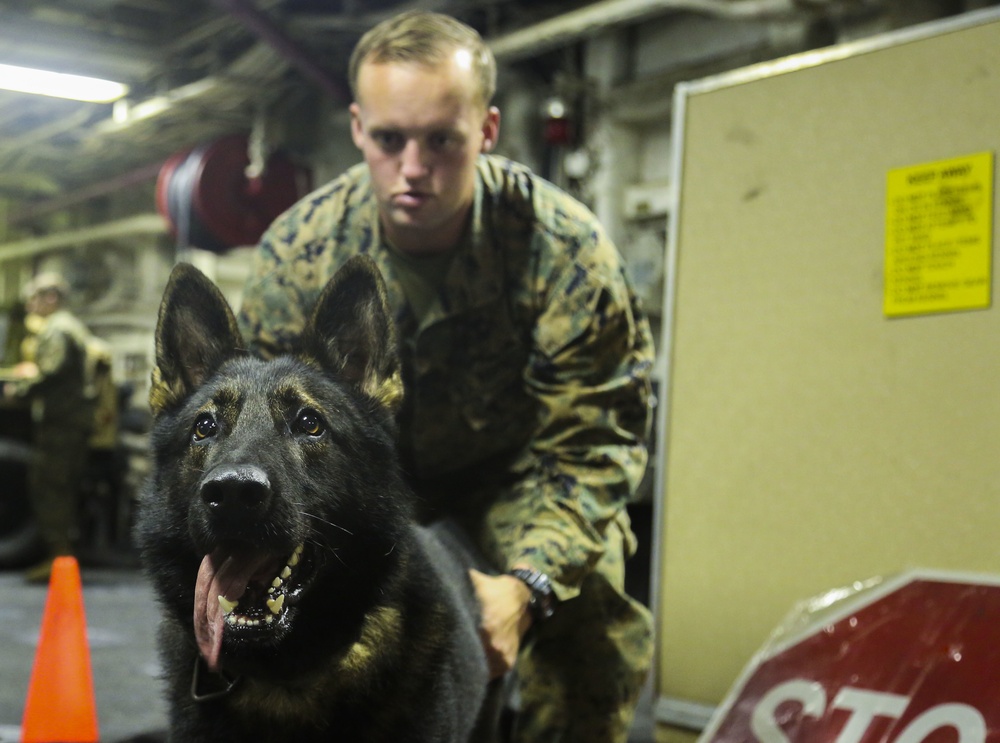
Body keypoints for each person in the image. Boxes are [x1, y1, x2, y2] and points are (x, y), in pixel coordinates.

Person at [237, 10, 655, 742]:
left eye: (443, 140)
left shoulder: (563, 249)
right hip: (361, 483)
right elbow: (264, 431)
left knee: (594, 621)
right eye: (390, 140)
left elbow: (596, 439)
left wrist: (527, 584)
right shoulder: (297, 255)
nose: (414, 168)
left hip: (518, 479)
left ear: (487, 131)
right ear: (358, 128)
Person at [4, 273, 98, 583]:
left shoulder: (57, 329)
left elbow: (50, 372)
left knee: (50, 489)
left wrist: (19, 390)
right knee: (62, 489)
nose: (31, 305)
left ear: (51, 298)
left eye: (35, 298)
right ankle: (61, 557)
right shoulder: (71, 326)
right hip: (71, 423)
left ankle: (59, 558)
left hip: (61, 425)